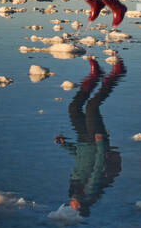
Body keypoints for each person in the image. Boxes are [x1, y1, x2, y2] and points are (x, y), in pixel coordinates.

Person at [54, 56, 125, 215]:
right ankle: (116, 74)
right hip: (95, 141)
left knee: (73, 108)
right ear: (81, 206)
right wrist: (100, 143)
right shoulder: (90, 191)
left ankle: (95, 76)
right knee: (92, 107)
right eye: (74, 207)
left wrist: (64, 144)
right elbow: (98, 165)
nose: (71, 205)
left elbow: (80, 158)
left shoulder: (75, 188)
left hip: (83, 141)